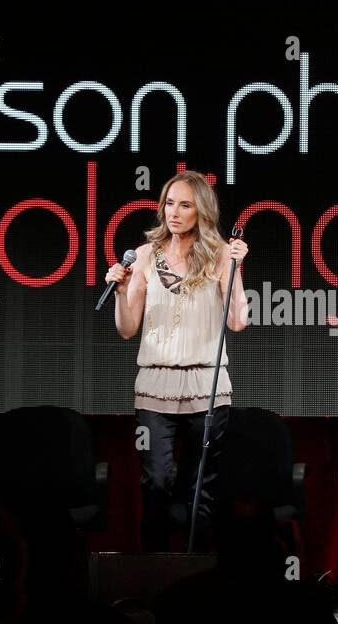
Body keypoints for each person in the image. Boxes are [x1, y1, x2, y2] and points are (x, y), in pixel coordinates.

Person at [104, 171, 249, 551]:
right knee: (156, 483)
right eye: (170, 203)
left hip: (207, 389)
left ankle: (196, 577)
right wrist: (121, 292)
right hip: (155, 389)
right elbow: (126, 328)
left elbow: (237, 321)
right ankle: (151, 575)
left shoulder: (220, 255)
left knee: (199, 489)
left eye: (185, 204)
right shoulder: (146, 256)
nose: (174, 212)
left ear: (201, 210)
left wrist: (235, 272)